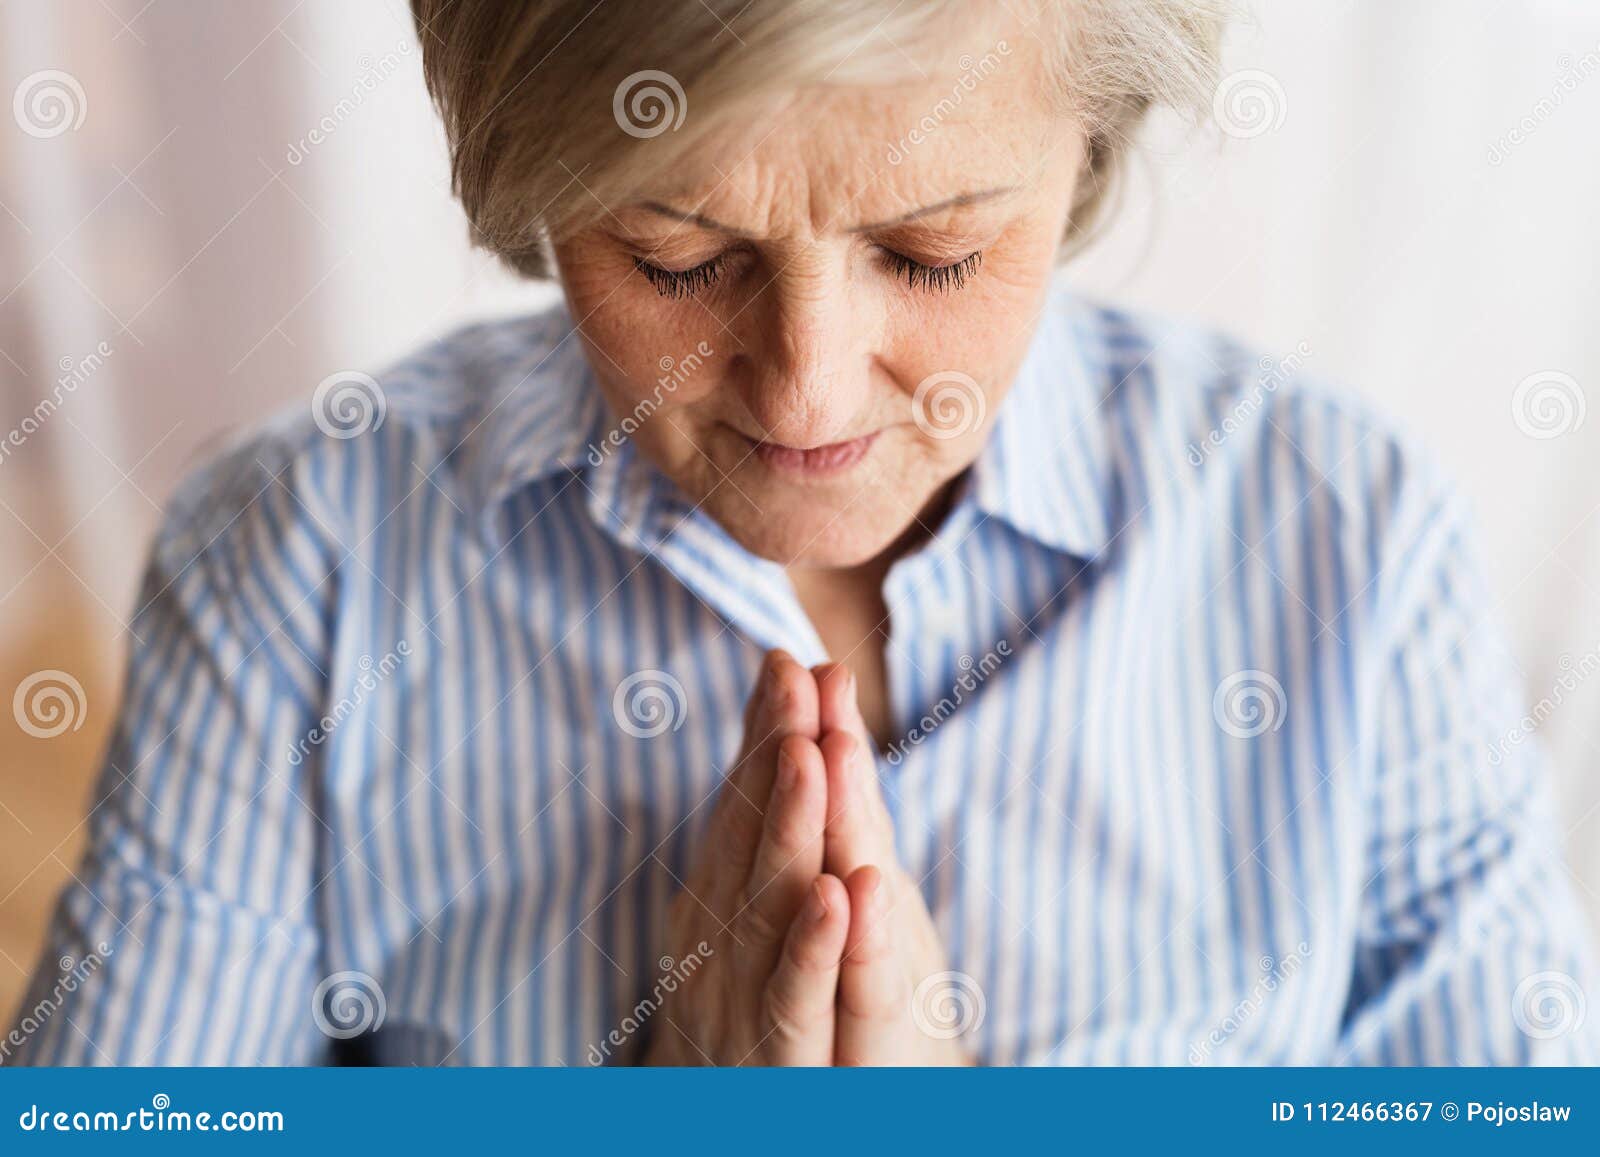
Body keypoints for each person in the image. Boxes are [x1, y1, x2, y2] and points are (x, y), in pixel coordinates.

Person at [8, 0, 1596, 1066]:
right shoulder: (299, 559)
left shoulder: (1346, 540)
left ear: (1086, 158)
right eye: (681, 255)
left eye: (934, 250)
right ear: (537, 179)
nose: (809, 389)